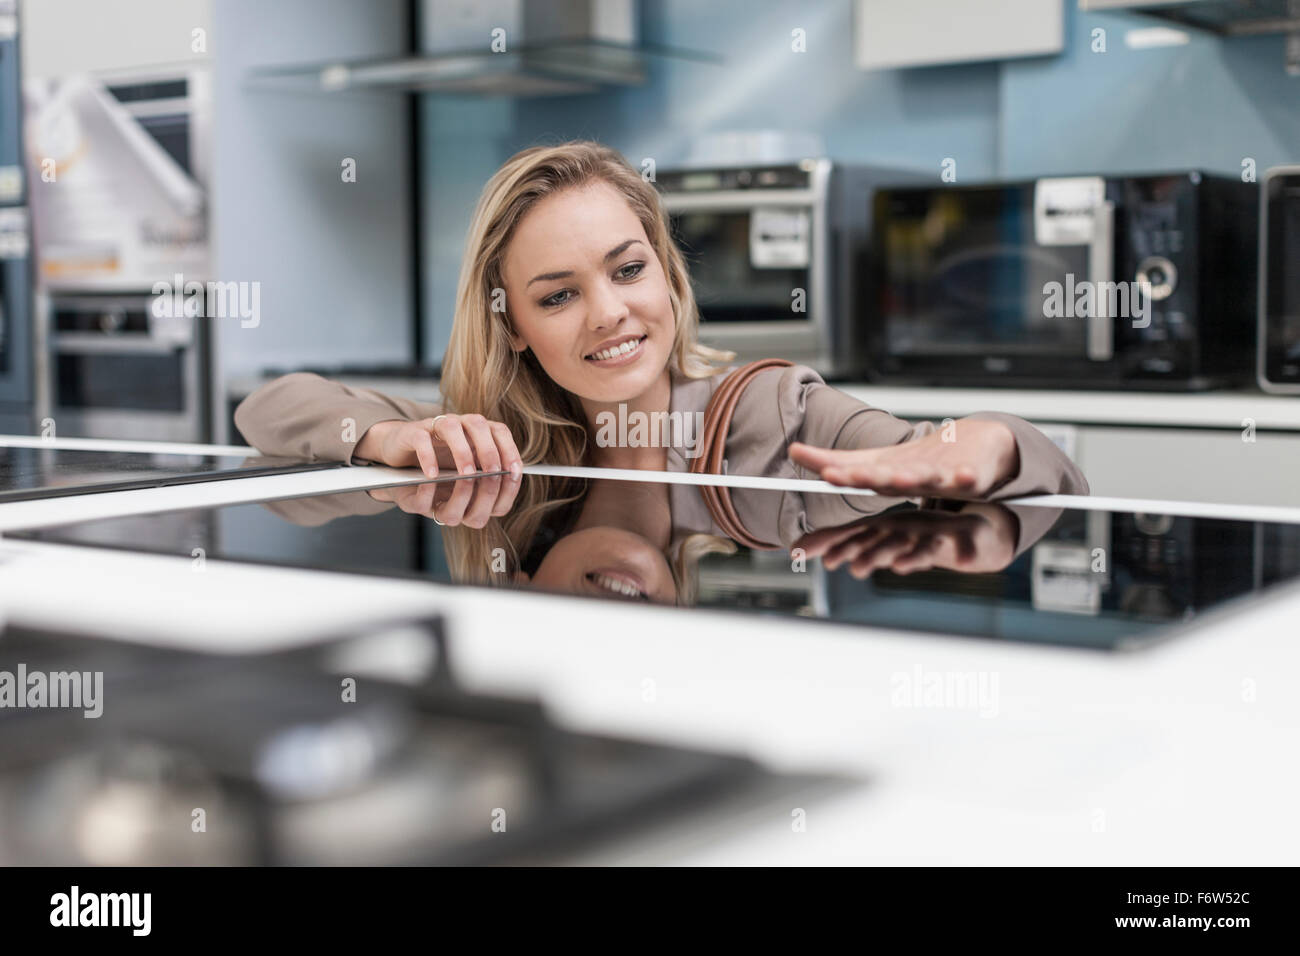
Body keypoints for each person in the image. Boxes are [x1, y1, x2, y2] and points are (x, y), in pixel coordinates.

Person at [235, 140, 1088, 577]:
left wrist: (992, 441)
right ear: (515, 326)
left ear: (667, 275)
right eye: (558, 294)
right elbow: (267, 410)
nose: (612, 314)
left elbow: (1038, 478)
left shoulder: (776, 414)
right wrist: (387, 442)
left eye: (628, 269)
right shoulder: (499, 441)